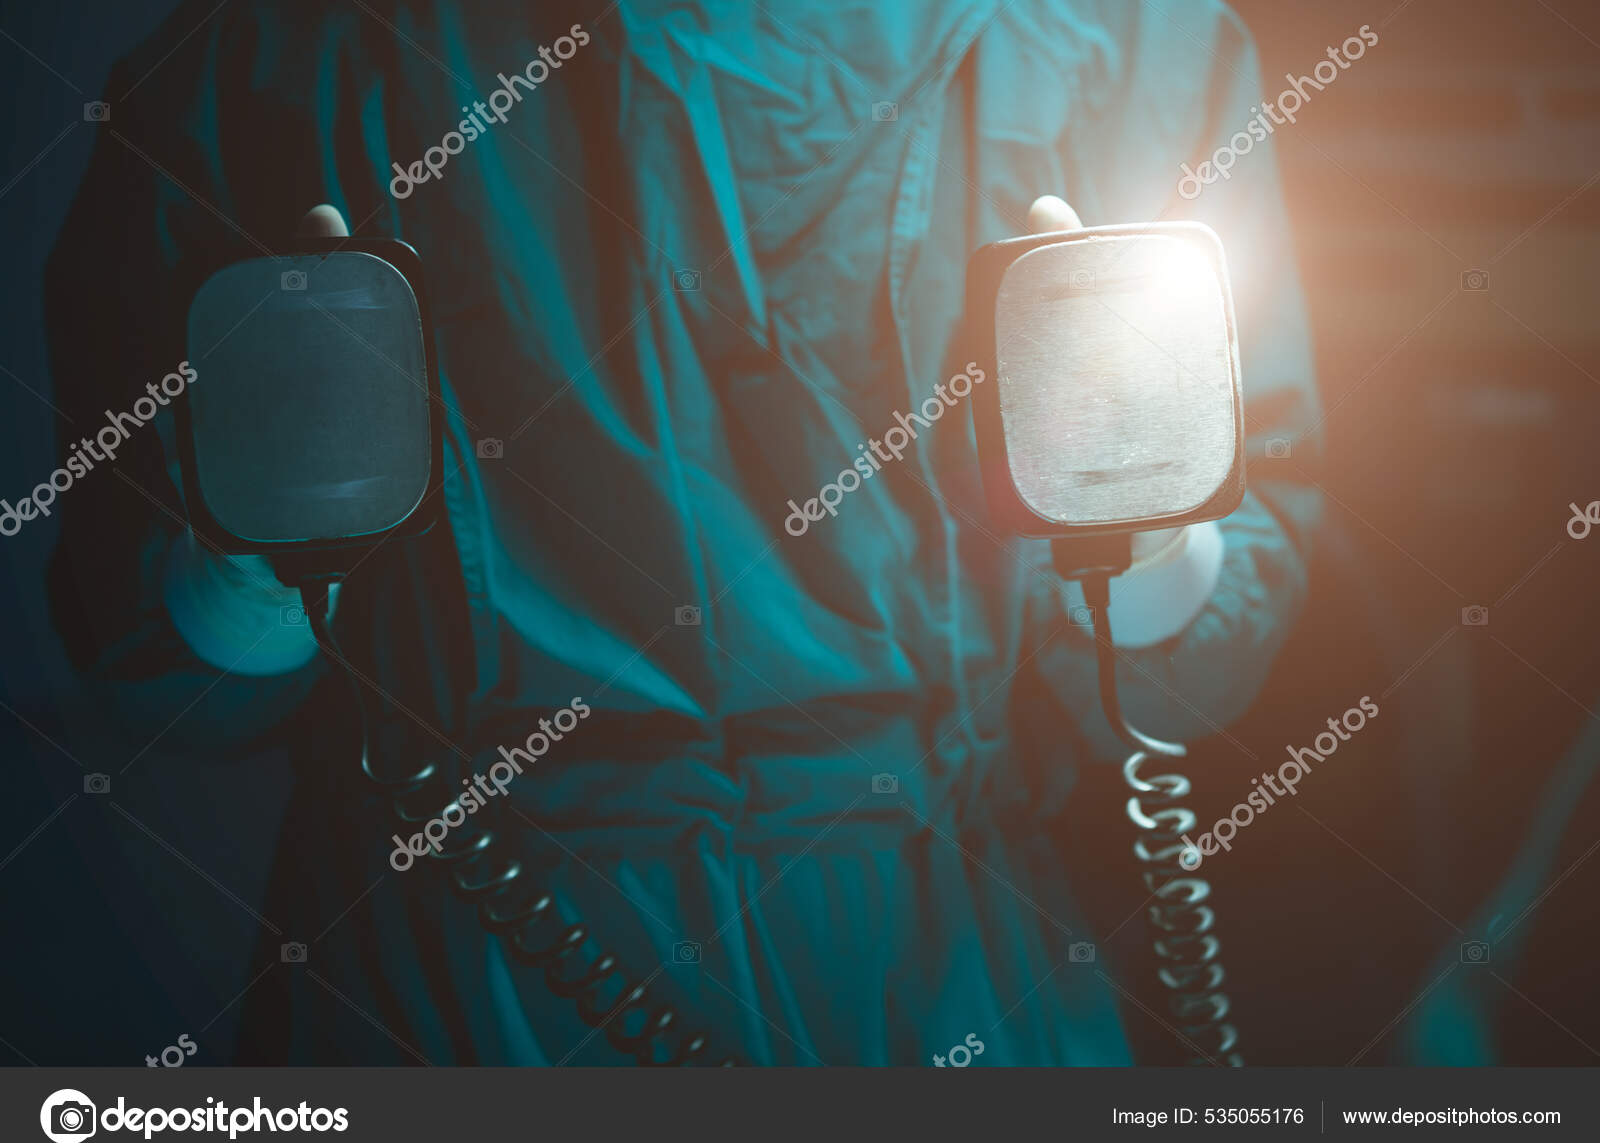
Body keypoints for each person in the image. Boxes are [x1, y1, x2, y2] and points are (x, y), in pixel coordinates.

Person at [46, 0, 1318, 1065]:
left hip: (954, 963)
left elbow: (1207, 649)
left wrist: (1140, 523)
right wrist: (258, 563)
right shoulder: (267, 63)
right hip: (475, 971)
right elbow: (157, 673)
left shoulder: (1120, 40)